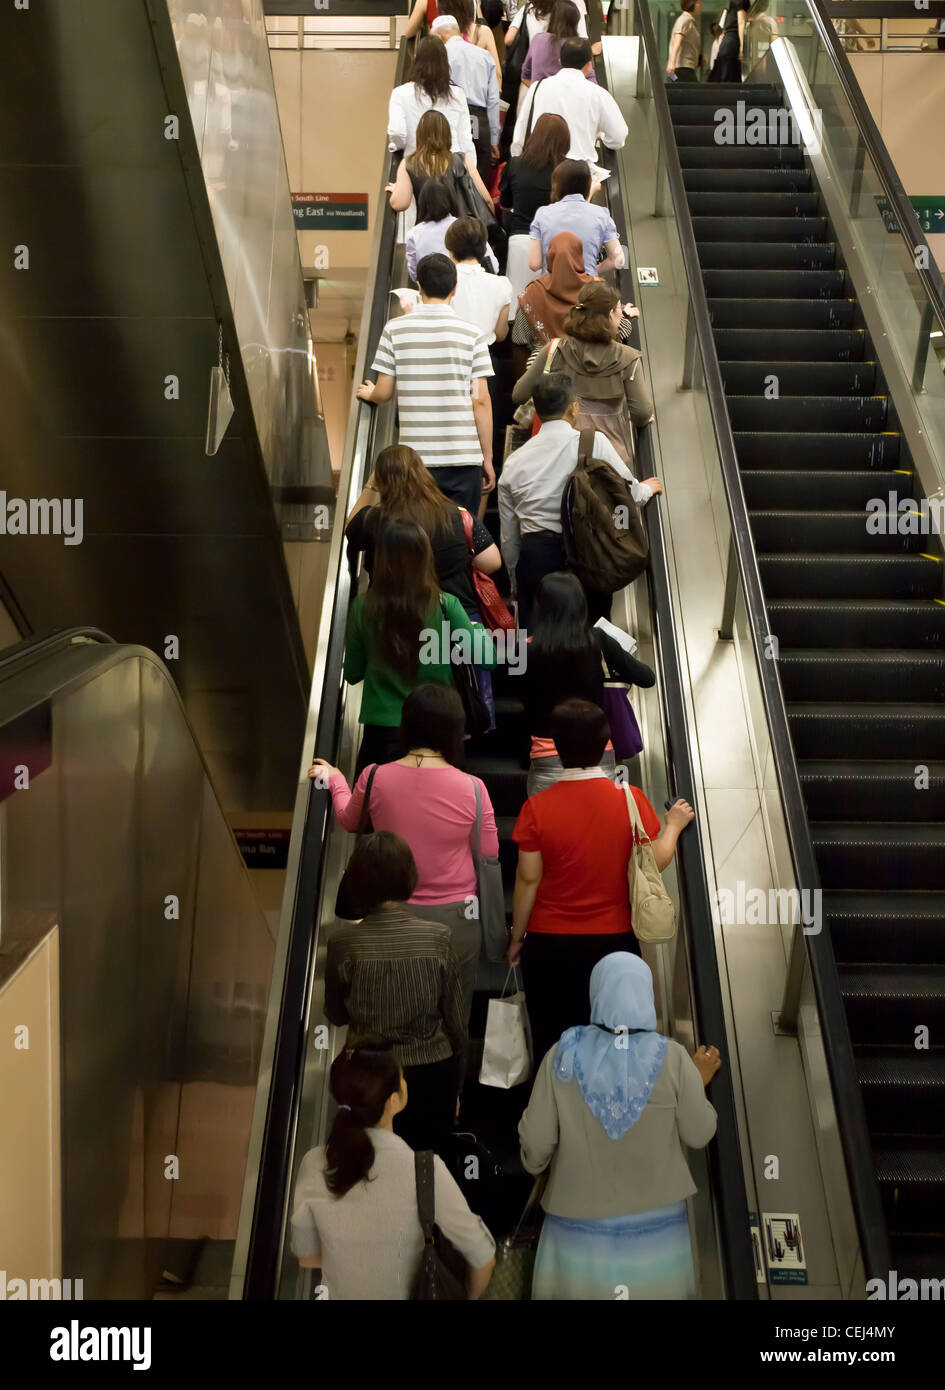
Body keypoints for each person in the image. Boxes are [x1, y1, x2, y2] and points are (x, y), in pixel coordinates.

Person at [518, 953, 720, 1300]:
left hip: (575, 1234)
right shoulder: (672, 1058)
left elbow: (536, 1142)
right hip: (657, 1242)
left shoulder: (562, 1055)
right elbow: (699, 1133)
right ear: (646, 994)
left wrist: (535, 1166)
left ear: (596, 993)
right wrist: (695, 1082)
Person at [507, 698, 695, 1064]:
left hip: (549, 944)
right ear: (607, 745)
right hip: (615, 942)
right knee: (612, 1046)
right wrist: (672, 825)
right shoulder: (631, 800)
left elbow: (527, 881)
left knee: (553, 1044)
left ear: (557, 747)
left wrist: (517, 939)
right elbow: (653, 861)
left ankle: (554, 1114)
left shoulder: (536, 808)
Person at [309, 684, 500, 1024]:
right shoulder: (473, 787)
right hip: (458, 918)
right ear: (456, 730)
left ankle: (395, 1075)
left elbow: (349, 821)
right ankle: (445, 1071)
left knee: (392, 1013)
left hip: (391, 916)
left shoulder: (375, 776)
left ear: (406, 724)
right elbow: (488, 853)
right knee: (452, 1016)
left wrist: (335, 779)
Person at [291, 1039, 496, 1300]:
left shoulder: (313, 1163)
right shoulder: (424, 1171)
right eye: (402, 1077)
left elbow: (306, 1256)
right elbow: (483, 1258)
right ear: (393, 1100)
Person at [323, 834, 469, 1156]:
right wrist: (456, 1087)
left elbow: (335, 1015)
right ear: (410, 878)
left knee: (370, 1167)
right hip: (433, 1073)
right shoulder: (439, 938)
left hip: (369, 1077)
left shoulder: (343, 945)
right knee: (428, 1168)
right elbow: (457, 1025)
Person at [499, 375, 661, 627]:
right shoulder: (592, 442)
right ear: (573, 408)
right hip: (588, 553)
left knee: (538, 642)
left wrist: (515, 577)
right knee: (592, 634)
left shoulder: (513, 462)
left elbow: (509, 538)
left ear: (538, 411)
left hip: (536, 559)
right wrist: (646, 490)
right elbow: (627, 493)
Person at [343, 519, 496, 774]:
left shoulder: (362, 608)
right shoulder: (446, 605)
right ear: (426, 558)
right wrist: (477, 628)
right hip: (437, 735)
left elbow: (352, 674)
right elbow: (487, 660)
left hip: (381, 736)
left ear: (382, 559)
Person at [357, 253, 496, 513]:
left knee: (417, 539)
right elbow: (480, 400)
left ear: (419, 287)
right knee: (460, 539)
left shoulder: (395, 330)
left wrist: (370, 392)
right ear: (455, 288)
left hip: (415, 462)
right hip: (462, 460)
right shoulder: (473, 335)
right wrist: (487, 457)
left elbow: (385, 392)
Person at [520, 573, 657, 794]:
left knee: (549, 826)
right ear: (581, 604)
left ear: (541, 606)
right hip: (596, 752)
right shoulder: (599, 641)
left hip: (546, 755)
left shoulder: (525, 650)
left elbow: (525, 701)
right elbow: (647, 678)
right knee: (598, 825)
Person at [511, 281, 655, 485]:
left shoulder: (555, 350)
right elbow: (641, 412)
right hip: (611, 463)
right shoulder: (628, 359)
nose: (622, 314)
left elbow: (518, 394)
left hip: (562, 460)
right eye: (618, 310)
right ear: (609, 316)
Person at [345, 443, 502, 621]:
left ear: (382, 481)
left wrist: (372, 483)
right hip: (458, 620)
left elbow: (350, 525)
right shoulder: (458, 514)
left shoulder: (375, 519)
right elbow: (492, 562)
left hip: (396, 623)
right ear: (423, 473)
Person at [511, 39, 627, 164]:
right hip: (577, 173)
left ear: (560, 61)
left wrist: (517, 159)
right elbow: (619, 136)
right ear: (589, 65)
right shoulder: (598, 94)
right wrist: (603, 137)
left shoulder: (537, 87)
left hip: (538, 166)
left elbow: (521, 130)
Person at [499, 112, 571, 312]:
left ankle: (516, 342)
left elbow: (505, 202)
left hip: (520, 239)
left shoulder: (515, 164)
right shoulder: (566, 170)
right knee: (550, 309)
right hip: (555, 243)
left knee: (518, 304)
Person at [430, 8, 500, 184]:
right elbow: (493, 100)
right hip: (480, 119)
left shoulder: (439, 57)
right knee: (479, 180)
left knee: (450, 174)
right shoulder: (483, 55)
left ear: (439, 37)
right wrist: (494, 139)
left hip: (450, 119)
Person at [386, 109, 495, 215]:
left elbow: (400, 204)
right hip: (460, 230)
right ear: (447, 134)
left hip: (427, 230)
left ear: (419, 134)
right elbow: (487, 200)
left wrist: (397, 190)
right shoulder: (462, 160)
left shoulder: (409, 163)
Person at [528, 157, 623, 277]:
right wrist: (591, 271)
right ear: (588, 185)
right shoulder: (602, 215)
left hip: (552, 289)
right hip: (587, 291)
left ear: (557, 185)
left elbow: (534, 264)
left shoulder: (543, 214)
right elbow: (619, 259)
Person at [388, 35, 477, 160]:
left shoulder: (400, 93)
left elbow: (397, 132)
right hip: (451, 165)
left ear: (415, 60)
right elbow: (466, 140)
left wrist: (399, 146)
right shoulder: (457, 94)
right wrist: (470, 170)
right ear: (445, 62)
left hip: (416, 164)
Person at [406, 0, 502, 77]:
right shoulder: (483, 33)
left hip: (443, 88)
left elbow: (408, 33)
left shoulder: (436, 38)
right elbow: (497, 73)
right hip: (475, 93)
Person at [522, 0, 598, 85]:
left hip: (540, 96)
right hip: (572, 96)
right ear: (575, 22)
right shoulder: (575, 47)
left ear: (552, 18)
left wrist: (539, 90)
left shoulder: (538, 40)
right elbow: (591, 80)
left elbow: (525, 76)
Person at [405, 178, 457, 284]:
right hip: (461, 288)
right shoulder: (463, 226)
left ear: (423, 201)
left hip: (430, 291)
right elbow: (492, 264)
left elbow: (414, 274)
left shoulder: (413, 234)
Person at [710, 0, 749, 82]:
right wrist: (742, 46)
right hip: (733, 41)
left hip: (727, 42)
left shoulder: (731, 3)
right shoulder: (740, 1)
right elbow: (741, 21)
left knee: (725, 78)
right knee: (730, 79)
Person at [667, 0, 702, 81]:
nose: (700, 6)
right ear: (692, 4)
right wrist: (671, 63)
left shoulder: (690, 21)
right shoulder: (685, 20)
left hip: (687, 68)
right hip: (683, 68)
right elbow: (677, 41)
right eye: (699, 3)